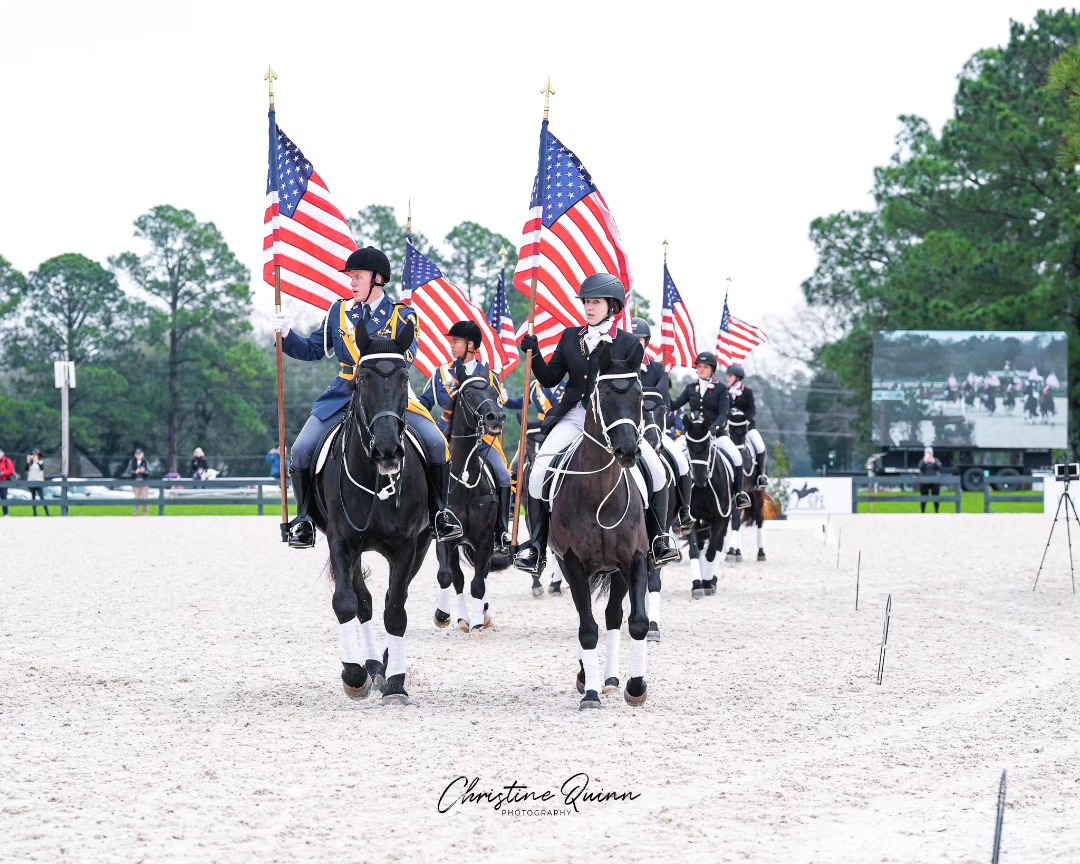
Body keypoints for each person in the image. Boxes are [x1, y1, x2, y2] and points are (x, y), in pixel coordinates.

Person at [273, 245, 462, 549]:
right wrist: (285, 335)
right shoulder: (339, 311)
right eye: (351, 277)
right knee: (302, 449)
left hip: (389, 394)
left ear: (378, 279)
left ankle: (440, 513)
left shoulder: (403, 315)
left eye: (357, 276)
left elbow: (407, 357)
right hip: (345, 391)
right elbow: (312, 350)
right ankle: (305, 520)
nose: (352, 283)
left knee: (437, 444)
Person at [514, 272, 680, 574]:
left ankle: (659, 539)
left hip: (617, 420)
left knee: (656, 470)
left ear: (612, 306)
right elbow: (550, 378)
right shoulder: (569, 338)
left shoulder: (629, 344)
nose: (589, 308)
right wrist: (533, 352)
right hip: (577, 416)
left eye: (595, 302)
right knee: (538, 471)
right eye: (586, 302)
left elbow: (631, 387)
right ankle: (536, 547)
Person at [419, 320, 513, 555]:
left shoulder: (489, 376)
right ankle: (427, 521)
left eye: (456, 341)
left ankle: (501, 530)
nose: (451, 345)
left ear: (471, 345)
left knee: (502, 476)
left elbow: (498, 408)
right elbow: (425, 404)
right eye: (451, 341)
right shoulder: (441, 373)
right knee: (421, 470)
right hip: (446, 439)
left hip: (481, 442)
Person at [671, 352, 752, 510]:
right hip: (694, 436)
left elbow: (724, 413)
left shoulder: (721, 389)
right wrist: (661, 395)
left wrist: (712, 429)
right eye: (699, 366)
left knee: (736, 457)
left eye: (705, 367)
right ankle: (674, 493)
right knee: (674, 454)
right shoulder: (690, 388)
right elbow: (675, 405)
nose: (701, 369)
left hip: (716, 434)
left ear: (712, 370)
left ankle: (739, 494)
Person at [632, 317, 692, 530]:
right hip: (627, 432)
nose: (635, 343)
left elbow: (663, 398)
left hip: (654, 431)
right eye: (631, 339)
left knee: (682, 463)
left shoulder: (657, 369)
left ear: (646, 342)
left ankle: (684, 511)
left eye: (639, 340)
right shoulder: (618, 368)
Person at [725, 364, 770, 489]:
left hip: (746, 427)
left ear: (737, 378)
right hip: (729, 428)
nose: (728, 378)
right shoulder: (725, 392)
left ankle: (761, 475)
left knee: (760, 447)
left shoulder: (747, 392)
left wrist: (744, 419)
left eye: (730, 376)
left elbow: (752, 410)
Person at [126, 447, 152, 516]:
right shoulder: (132, 461)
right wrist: (135, 472)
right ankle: (136, 514)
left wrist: (144, 472)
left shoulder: (146, 462)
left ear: (142, 454)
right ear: (135, 455)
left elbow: (149, 471)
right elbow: (128, 471)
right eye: (137, 454)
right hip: (135, 481)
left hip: (144, 481)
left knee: (145, 498)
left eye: (139, 454)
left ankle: (146, 514)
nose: (138, 455)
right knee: (136, 498)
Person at [919, 446, 943, 513]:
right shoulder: (922, 460)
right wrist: (924, 461)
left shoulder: (936, 460)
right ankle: (923, 512)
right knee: (923, 497)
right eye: (927, 453)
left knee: (936, 497)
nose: (928, 454)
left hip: (935, 482)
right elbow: (920, 467)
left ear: (932, 453)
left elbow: (939, 467)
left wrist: (934, 461)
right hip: (924, 482)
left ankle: (937, 511)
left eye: (930, 453)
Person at [26, 449, 49, 516]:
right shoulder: (30, 463)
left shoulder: (41, 461)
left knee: (42, 497)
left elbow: (41, 468)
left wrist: (37, 461)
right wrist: (29, 461)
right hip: (31, 481)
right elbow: (26, 469)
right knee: (33, 498)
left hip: (39, 481)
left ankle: (47, 512)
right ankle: (34, 513)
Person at [0, 448, 16, 517]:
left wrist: (2, 473)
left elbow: (11, 470)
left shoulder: (7, 460)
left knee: (4, 497)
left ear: (2, 454)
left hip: (4, 482)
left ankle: (6, 514)